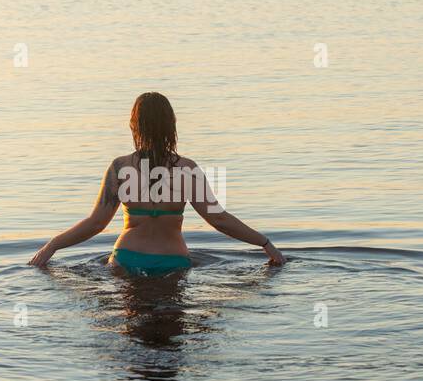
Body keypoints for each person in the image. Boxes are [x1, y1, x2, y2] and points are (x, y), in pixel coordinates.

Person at [28, 92, 285, 273]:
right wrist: (265, 243)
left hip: (126, 259)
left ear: (134, 126)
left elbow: (95, 223)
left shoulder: (120, 167)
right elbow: (219, 219)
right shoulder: (187, 169)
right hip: (172, 261)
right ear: (171, 126)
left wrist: (52, 246)